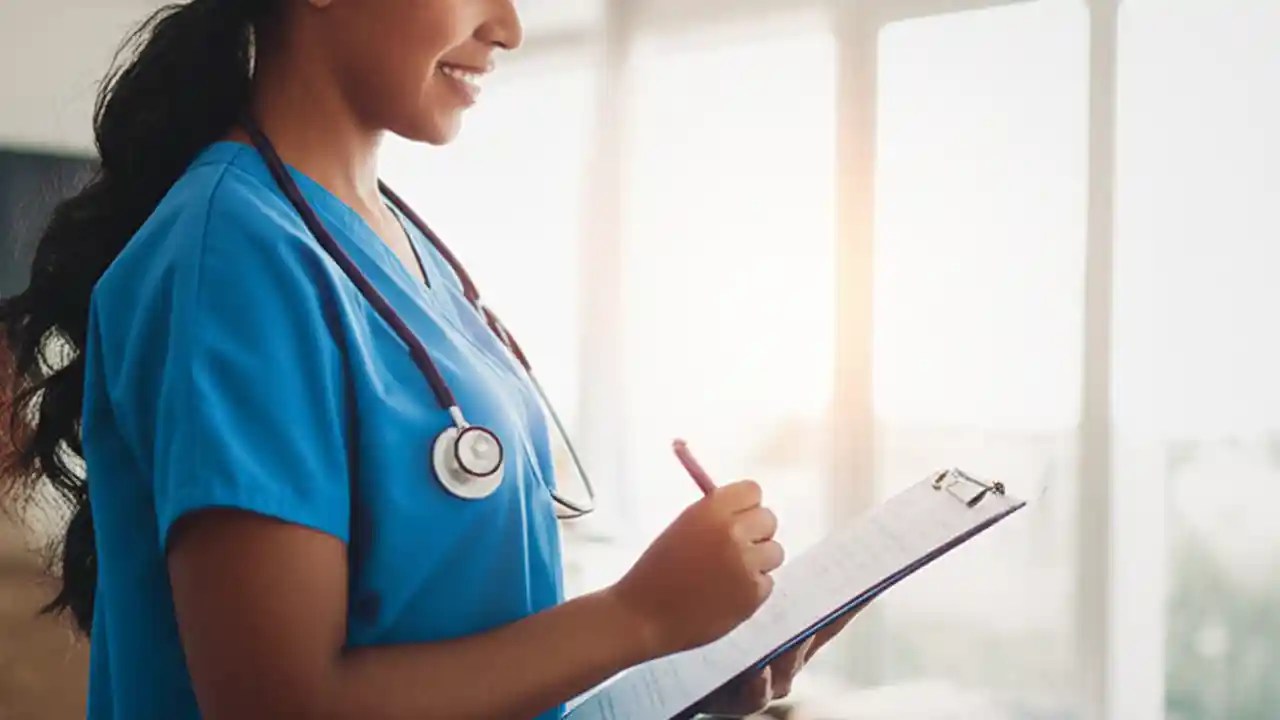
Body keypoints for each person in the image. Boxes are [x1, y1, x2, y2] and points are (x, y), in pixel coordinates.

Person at [0, 1, 855, 717]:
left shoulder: (402, 243)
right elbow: (281, 704)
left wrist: (683, 667)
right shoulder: (234, 254)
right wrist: (637, 618)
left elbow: (463, 654)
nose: (510, 27)